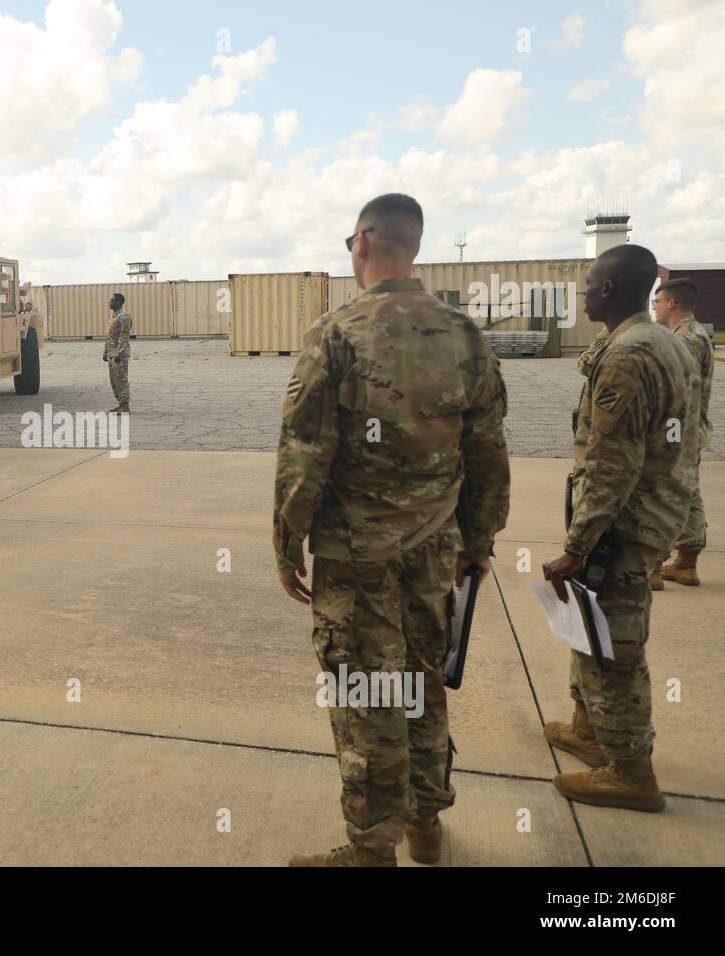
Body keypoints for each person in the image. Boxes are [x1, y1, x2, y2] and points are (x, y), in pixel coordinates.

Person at [276, 194, 510, 866]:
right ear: (415, 246)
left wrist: (285, 542)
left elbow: (305, 453)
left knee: (366, 698)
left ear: (361, 244)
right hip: (436, 554)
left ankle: (371, 847)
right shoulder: (465, 334)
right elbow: (487, 451)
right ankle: (426, 825)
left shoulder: (337, 333)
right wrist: (478, 542)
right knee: (423, 687)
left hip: (358, 560)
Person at [542, 245, 700, 813]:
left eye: (588, 282)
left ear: (608, 289)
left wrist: (577, 545)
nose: (582, 291)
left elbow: (613, 463)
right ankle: (590, 731)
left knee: (615, 649)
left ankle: (631, 771)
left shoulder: (630, 355)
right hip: (652, 514)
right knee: (589, 631)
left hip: (622, 524)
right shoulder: (663, 342)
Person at [651, 278, 713, 588]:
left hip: (675, 430)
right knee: (688, 493)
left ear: (671, 303)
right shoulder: (693, 333)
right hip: (686, 429)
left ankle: (652, 565)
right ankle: (686, 563)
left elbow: (674, 390)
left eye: (657, 302)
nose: (654, 308)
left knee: (663, 496)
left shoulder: (685, 339)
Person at [103, 292, 132, 414]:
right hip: (111, 353)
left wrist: (119, 354)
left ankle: (125, 406)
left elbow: (123, 336)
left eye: (112, 300)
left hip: (119, 355)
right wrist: (105, 351)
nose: (110, 302)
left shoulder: (124, 317)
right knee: (114, 380)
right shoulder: (114, 316)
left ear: (119, 302)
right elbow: (110, 336)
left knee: (121, 379)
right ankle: (120, 404)